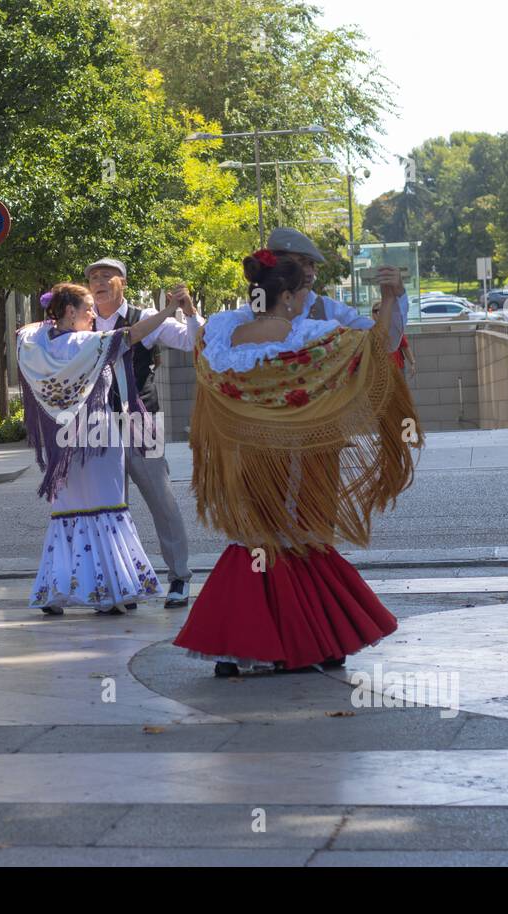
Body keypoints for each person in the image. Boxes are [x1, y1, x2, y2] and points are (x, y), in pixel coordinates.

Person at [174, 239, 420, 677]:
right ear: (286, 292)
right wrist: (388, 298)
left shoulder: (223, 334)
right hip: (299, 455)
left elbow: (204, 359)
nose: (308, 280)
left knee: (253, 539)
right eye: (301, 272)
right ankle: (308, 641)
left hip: (246, 452)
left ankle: (235, 648)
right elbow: (376, 345)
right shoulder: (309, 334)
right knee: (300, 535)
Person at [18, 282, 175, 614]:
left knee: (67, 514)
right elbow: (131, 335)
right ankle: (107, 591)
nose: (94, 316)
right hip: (97, 436)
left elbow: (26, 328)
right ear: (71, 311)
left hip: (63, 443)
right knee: (107, 509)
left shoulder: (35, 344)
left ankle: (57, 591)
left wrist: (52, 317)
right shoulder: (88, 344)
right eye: (88, 309)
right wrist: (168, 312)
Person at [85, 258, 201, 608]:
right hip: (97, 426)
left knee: (161, 499)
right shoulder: (81, 322)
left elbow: (192, 341)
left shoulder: (144, 318)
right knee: (110, 507)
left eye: (107, 276)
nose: (99, 282)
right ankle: (120, 583)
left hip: (142, 420)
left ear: (123, 282)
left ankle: (179, 577)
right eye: (93, 277)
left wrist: (189, 310)